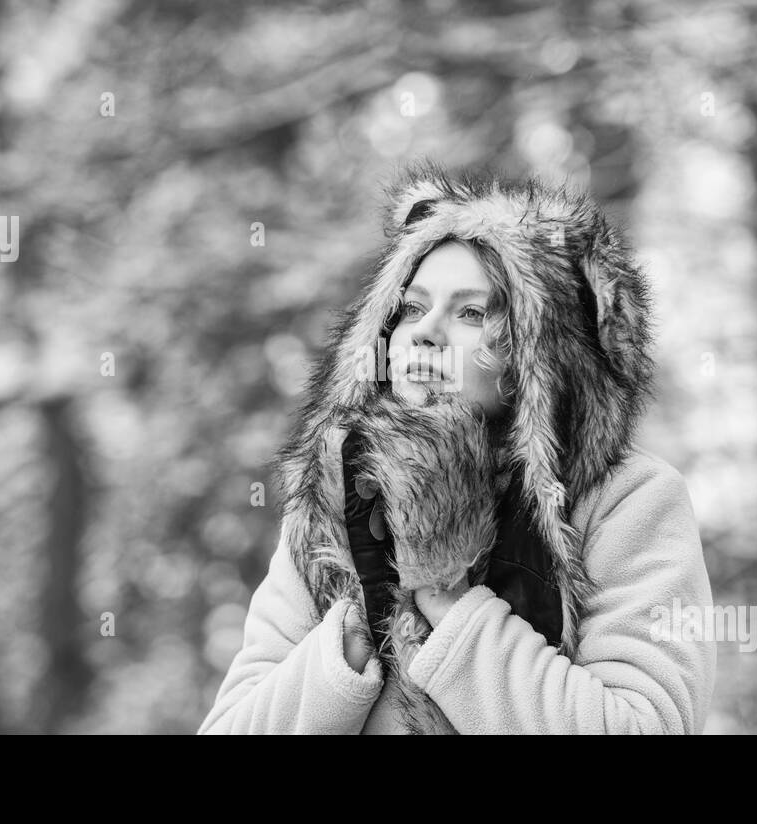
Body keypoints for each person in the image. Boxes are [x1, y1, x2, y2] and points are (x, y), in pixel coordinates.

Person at [198, 161, 716, 734]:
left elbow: (643, 726)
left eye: (471, 312)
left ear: (540, 358)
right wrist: (354, 630)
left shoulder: (631, 500)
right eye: (412, 307)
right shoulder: (333, 504)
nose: (424, 331)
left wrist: (445, 596)